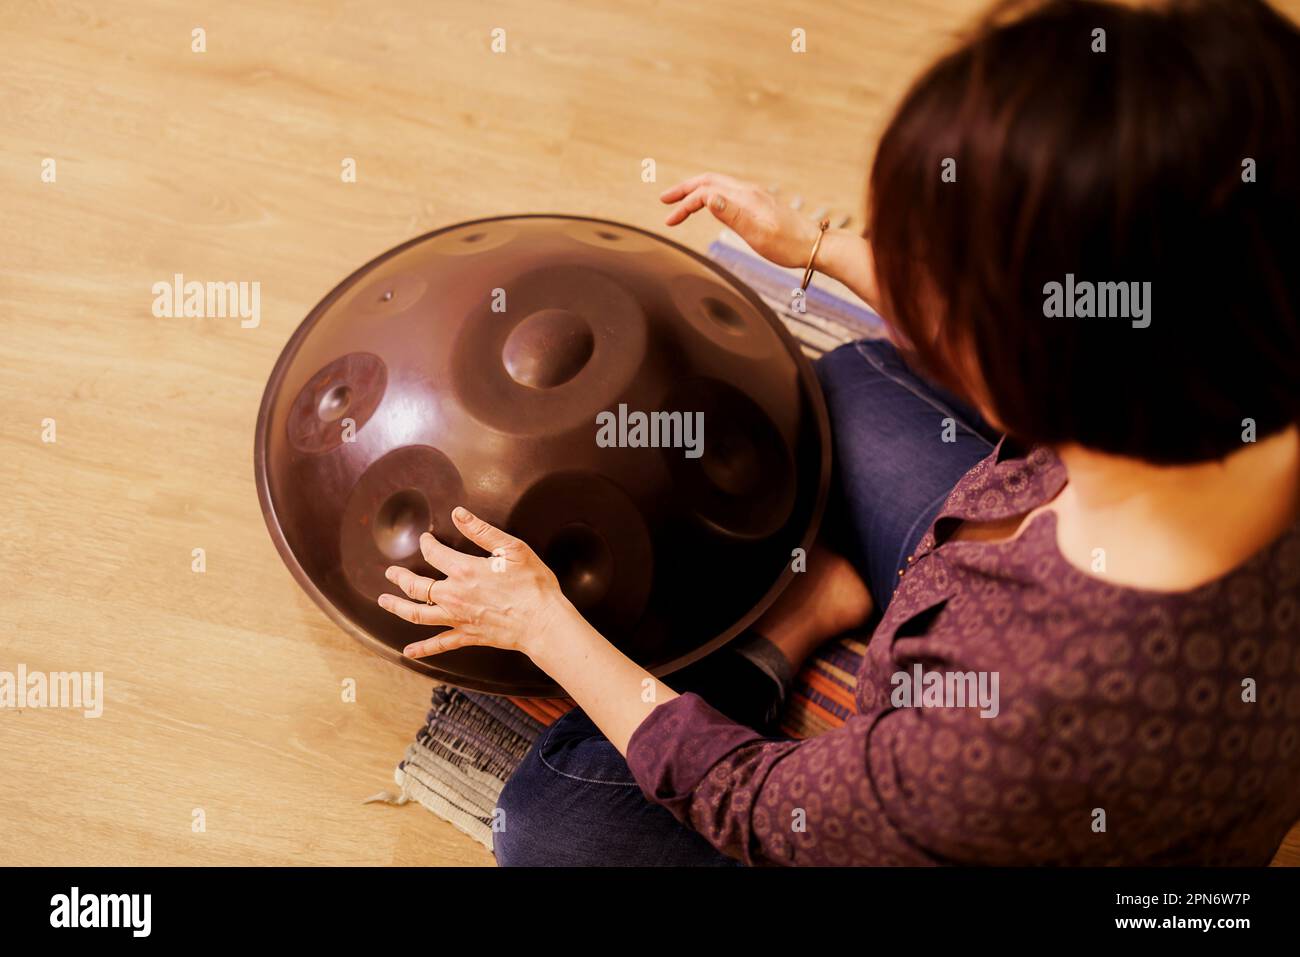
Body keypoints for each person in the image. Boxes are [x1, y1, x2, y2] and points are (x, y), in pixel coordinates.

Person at [378, 0, 1300, 865]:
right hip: (1050, 561)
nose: (915, 286)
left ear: (1047, 359)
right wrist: (815, 247)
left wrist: (539, 621)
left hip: (984, 787)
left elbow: (761, 805)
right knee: (845, 380)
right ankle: (825, 598)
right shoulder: (1226, 355)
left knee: (557, 828)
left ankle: (776, 641)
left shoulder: (1015, 724)